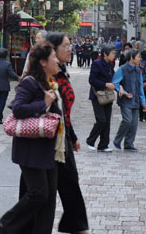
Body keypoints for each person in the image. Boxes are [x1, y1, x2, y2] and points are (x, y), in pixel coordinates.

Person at [0, 43, 64, 234]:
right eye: (53, 58)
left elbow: (60, 116)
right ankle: (5, 224)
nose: (57, 61)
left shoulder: (50, 83)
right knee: (38, 194)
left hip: (48, 149)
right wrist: (44, 103)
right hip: (30, 150)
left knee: (47, 199)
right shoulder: (29, 82)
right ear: (42, 62)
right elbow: (18, 109)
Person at [47, 34, 91, 234]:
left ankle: (75, 224)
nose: (70, 48)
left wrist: (72, 136)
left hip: (62, 136)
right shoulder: (47, 76)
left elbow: (64, 111)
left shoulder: (61, 72)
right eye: (66, 46)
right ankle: (13, 224)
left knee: (67, 182)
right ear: (53, 50)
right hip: (48, 139)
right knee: (39, 192)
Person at [112, 50, 146, 151]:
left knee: (134, 124)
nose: (140, 59)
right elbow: (115, 83)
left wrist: (143, 102)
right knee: (127, 120)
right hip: (125, 101)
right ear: (132, 58)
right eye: (138, 57)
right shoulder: (122, 69)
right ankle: (117, 140)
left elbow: (140, 86)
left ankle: (128, 144)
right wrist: (123, 91)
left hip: (135, 100)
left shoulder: (138, 70)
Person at [85, 44, 117, 152]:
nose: (114, 56)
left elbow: (114, 78)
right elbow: (92, 80)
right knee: (101, 120)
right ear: (105, 54)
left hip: (108, 96)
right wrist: (106, 84)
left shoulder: (110, 65)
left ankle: (103, 145)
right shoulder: (96, 64)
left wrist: (119, 87)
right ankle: (90, 140)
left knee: (107, 121)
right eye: (112, 53)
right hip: (97, 96)